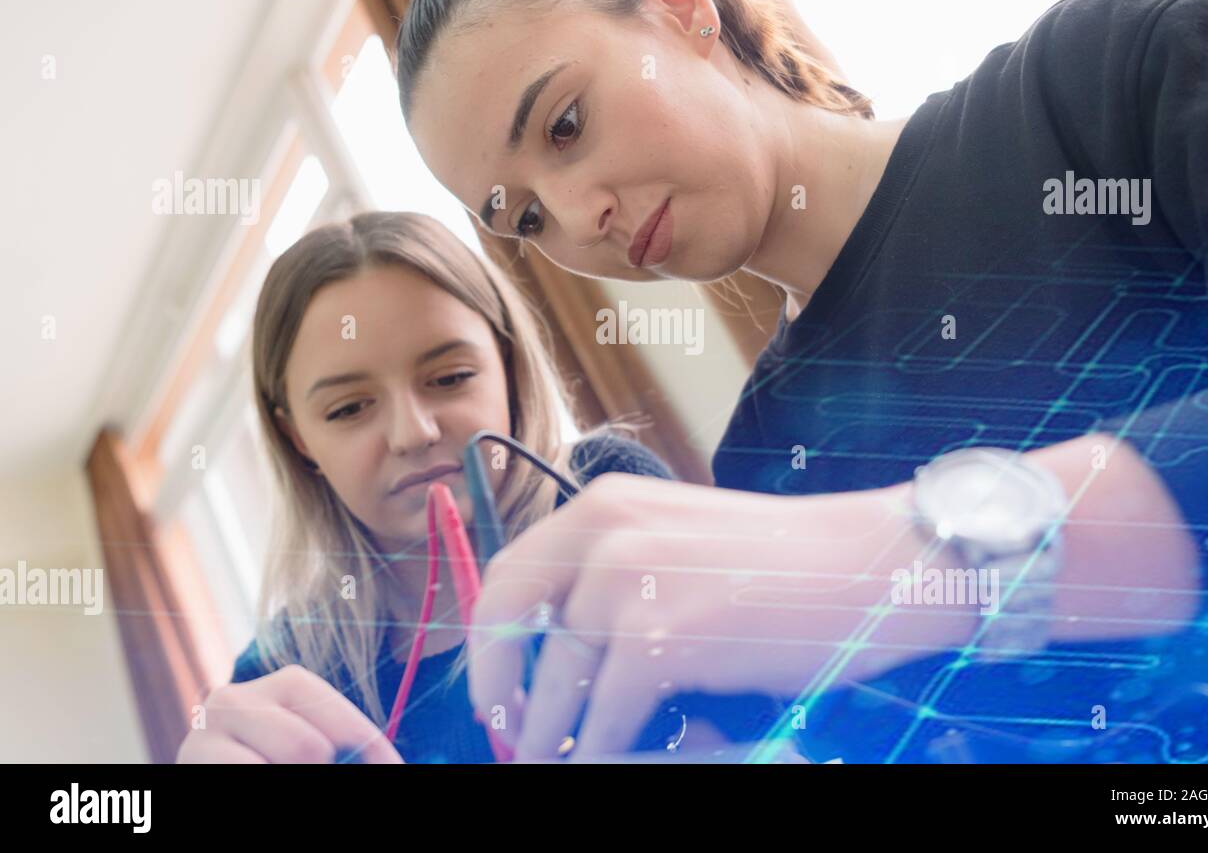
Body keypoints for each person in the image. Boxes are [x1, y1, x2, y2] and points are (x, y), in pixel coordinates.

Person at [394, 0, 1208, 763]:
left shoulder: (1095, 84)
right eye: (523, 220)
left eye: (566, 124)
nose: (576, 216)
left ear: (678, 8)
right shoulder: (763, 459)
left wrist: (914, 554)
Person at [176, 211, 780, 763]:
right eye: (349, 408)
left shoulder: (603, 491)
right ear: (298, 438)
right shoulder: (282, 671)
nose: (413, 433)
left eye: (450, 377)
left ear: (509, 367)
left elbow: (774, 727)